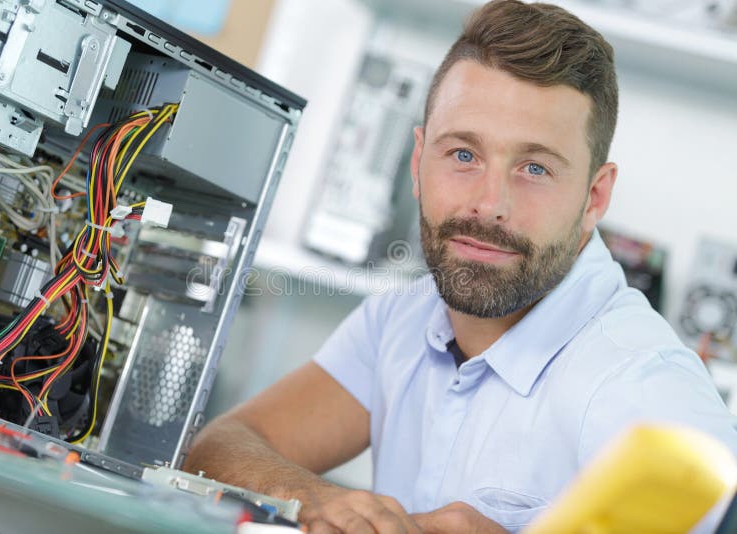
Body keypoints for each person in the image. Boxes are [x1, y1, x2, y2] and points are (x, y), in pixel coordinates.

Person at [184, 1, 737, 532]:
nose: (489, 203)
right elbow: (222, 444)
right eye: (464, 155)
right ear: (418, 161)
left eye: (535, 168)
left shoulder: (642, 383)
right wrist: (323, 503)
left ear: (594, 197)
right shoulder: (401, 320)